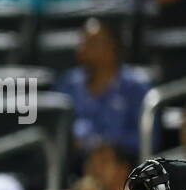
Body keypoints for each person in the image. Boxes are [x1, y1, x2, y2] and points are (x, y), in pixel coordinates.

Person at [55, 19, 150, 159]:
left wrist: (106, 145)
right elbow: (54, 129)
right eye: (82, 42)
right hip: (72, 165)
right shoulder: (69, 82)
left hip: (121, 167)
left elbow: (148, 139)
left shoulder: (135, 87)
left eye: (91, 43)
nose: (83, 48)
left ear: (112, 48)